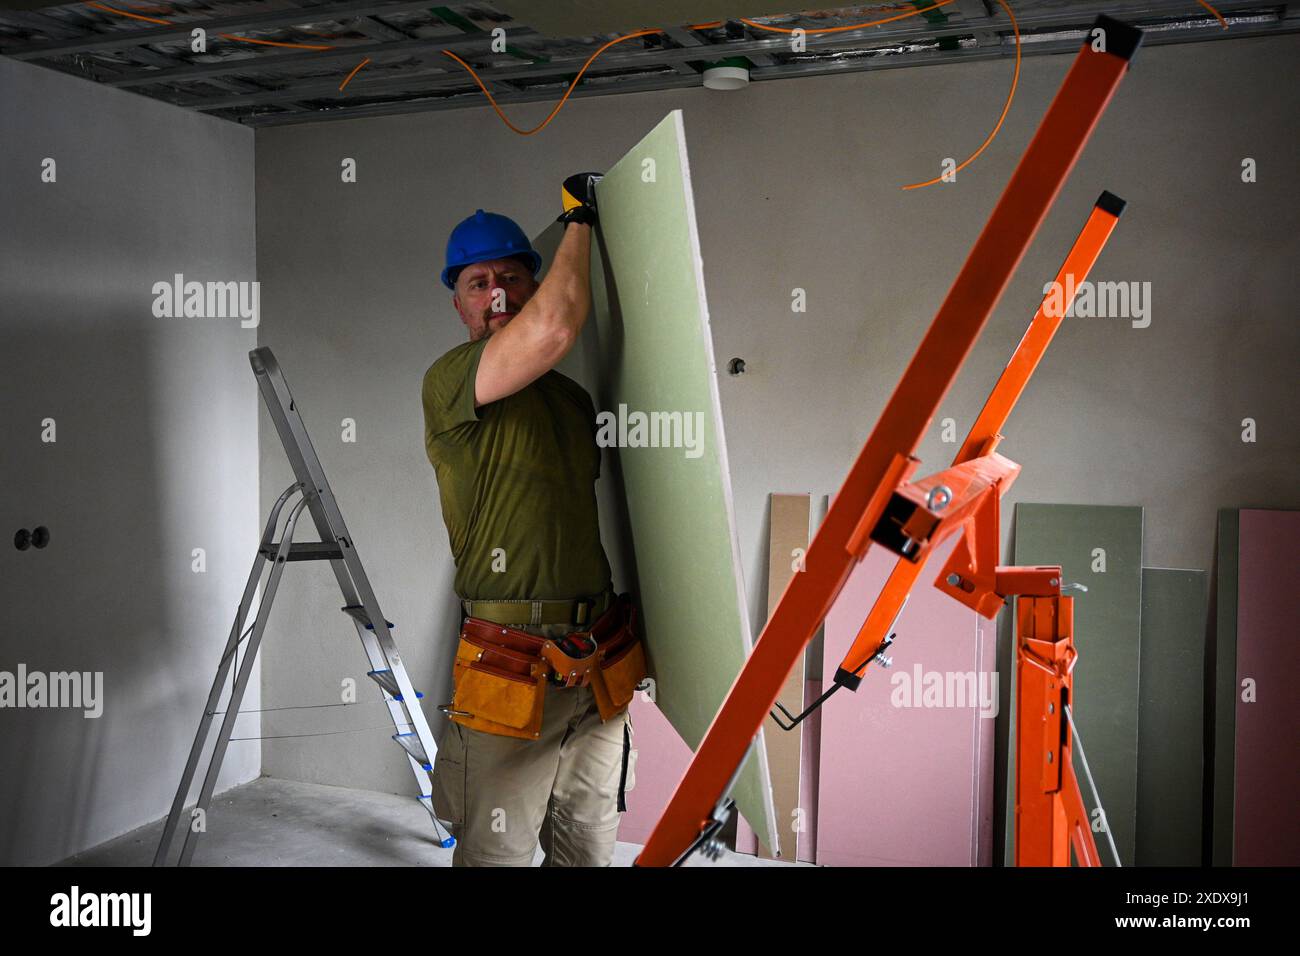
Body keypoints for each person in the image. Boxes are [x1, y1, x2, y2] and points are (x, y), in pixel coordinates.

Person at [421, 175, 640, 867]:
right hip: (510, 658)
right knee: (498, 852)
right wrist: (580, 219)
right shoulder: (453, 380)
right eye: (478, 283)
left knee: (589, 841)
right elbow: (551, 328)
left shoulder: (573, 400)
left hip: (597, 652)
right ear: (458, 303)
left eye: (512, 277)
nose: (498, 296)